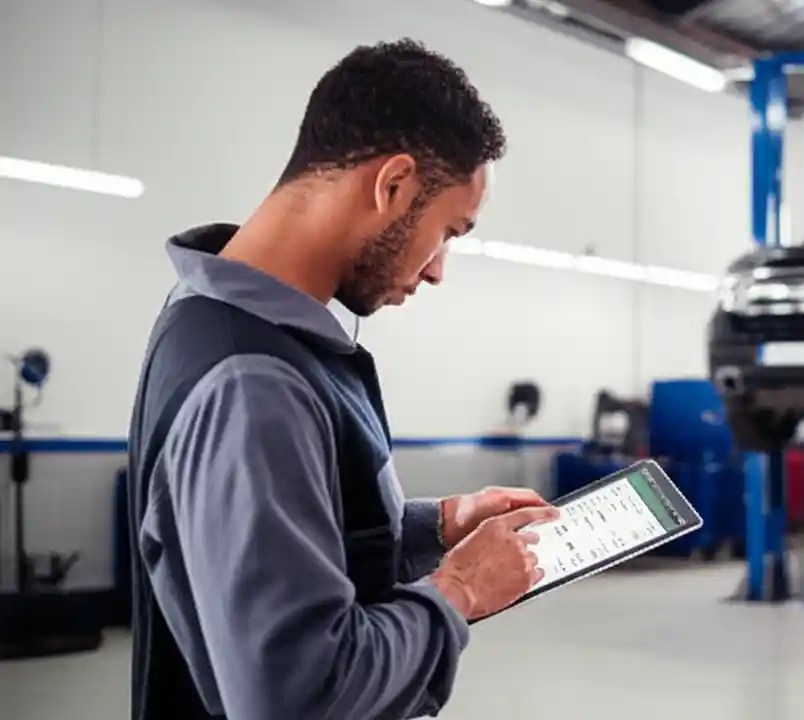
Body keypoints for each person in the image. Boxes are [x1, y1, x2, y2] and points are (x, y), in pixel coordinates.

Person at [125, 39, 558, 720]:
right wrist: (462, 590)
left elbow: (287, 541)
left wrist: (438, 526)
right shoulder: (253, 385)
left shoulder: (214, 316)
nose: (439, 268)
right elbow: (298, 696)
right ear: (393, 185)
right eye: (449, 230)